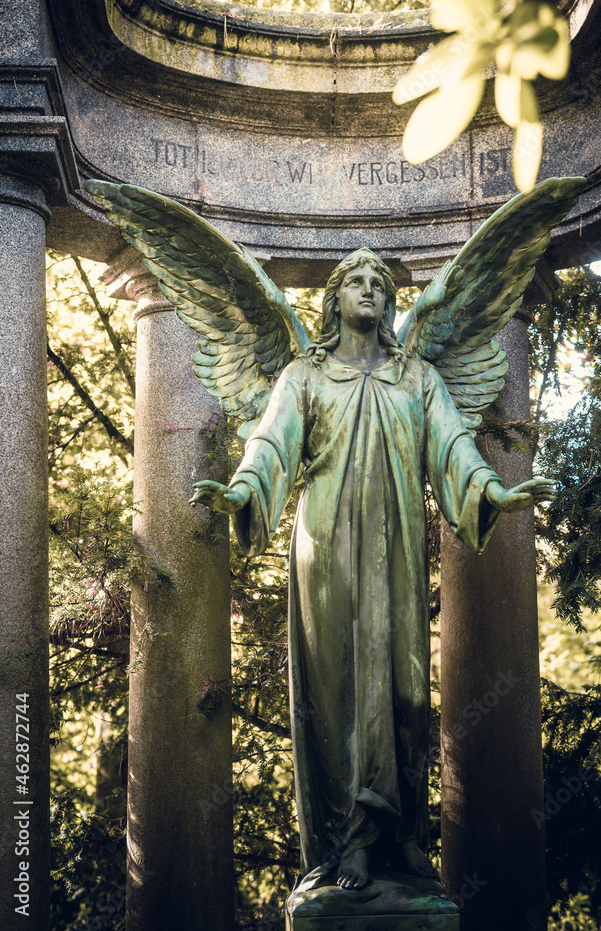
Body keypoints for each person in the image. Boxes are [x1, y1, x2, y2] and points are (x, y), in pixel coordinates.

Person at [191, 248, 556, 892]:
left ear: (391, 302)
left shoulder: (418, 378)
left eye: (379, 284)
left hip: (398, 551)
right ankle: (347, 842)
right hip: (324, 554)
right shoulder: (304, 375)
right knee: (335, 696)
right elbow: (270, 445)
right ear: (333, 300)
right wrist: (241, 494)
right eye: (355, 282)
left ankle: (405, 836)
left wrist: (493, 493)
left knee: (405, 692)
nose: (368, 290)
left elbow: (453, 448)